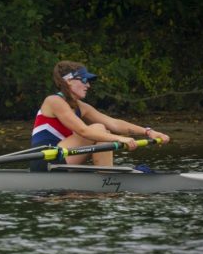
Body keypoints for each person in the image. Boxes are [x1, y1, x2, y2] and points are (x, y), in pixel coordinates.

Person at [30, 61, 171, 171]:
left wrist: (149, 132)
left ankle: (106, 179)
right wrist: (119, 138)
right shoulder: (53, 101)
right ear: (68, 81)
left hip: (61, 160)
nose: (88, 85)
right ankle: (106, 179)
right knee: (98, 129)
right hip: (45, 161)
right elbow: (83, 131)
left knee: (104, 132)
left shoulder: (81, 107)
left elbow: (114, 123)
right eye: (84, 80)